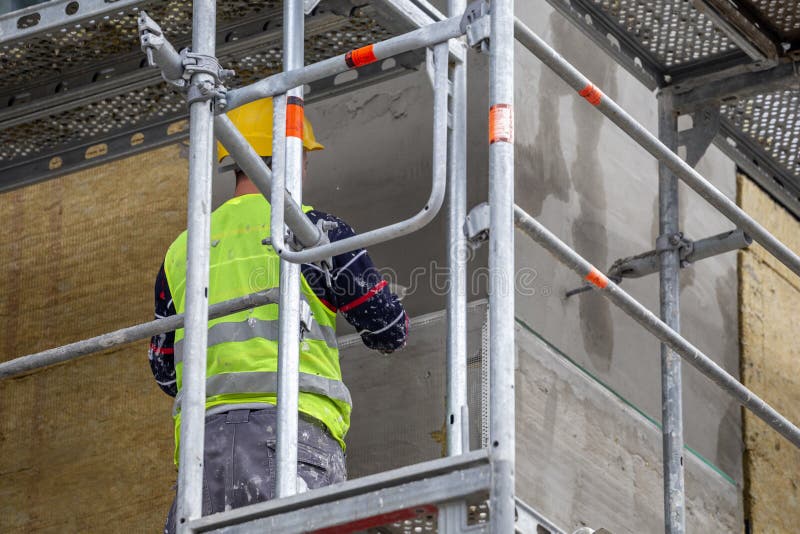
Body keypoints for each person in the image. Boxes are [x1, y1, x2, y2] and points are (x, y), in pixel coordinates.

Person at [148, 98, 408, 532]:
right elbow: (388, 329)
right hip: (290, 435)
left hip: (201, 450)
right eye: (304, 156)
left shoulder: (182, 251)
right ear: (292, 157)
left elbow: (165, 371)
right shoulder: (309, 231)